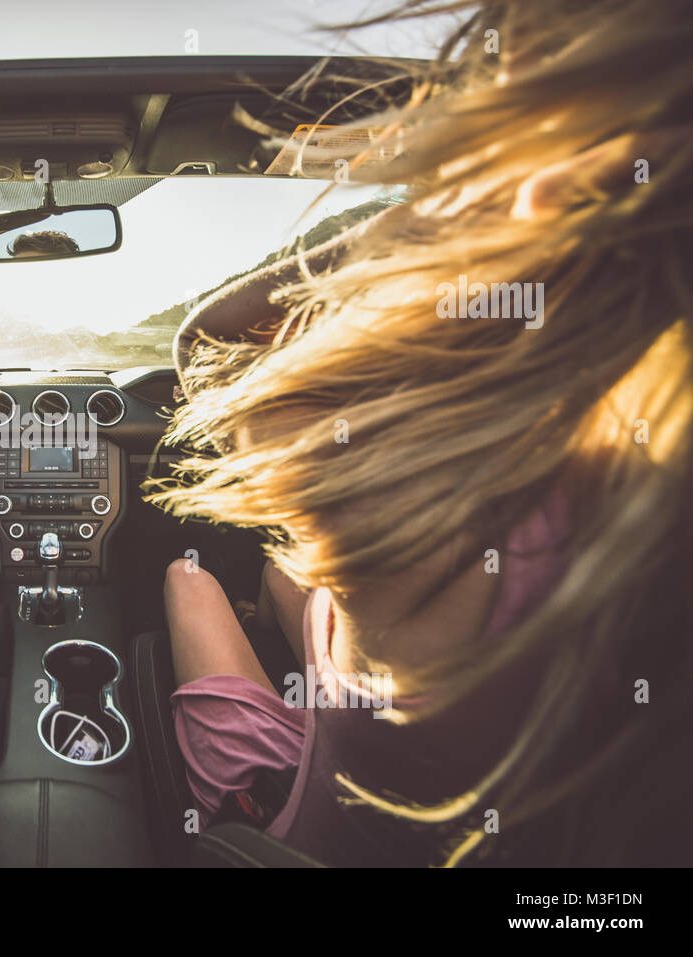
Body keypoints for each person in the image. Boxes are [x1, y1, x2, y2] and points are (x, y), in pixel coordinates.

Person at [150, 0, 691, 866]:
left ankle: (307, 694)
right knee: (289, 569)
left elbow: (208, 346)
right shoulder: (581, 514)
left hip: (298, 821)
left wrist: (457, 219)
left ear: (554, 184)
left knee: (187, 576)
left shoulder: (444, 516)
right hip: (426, 741)